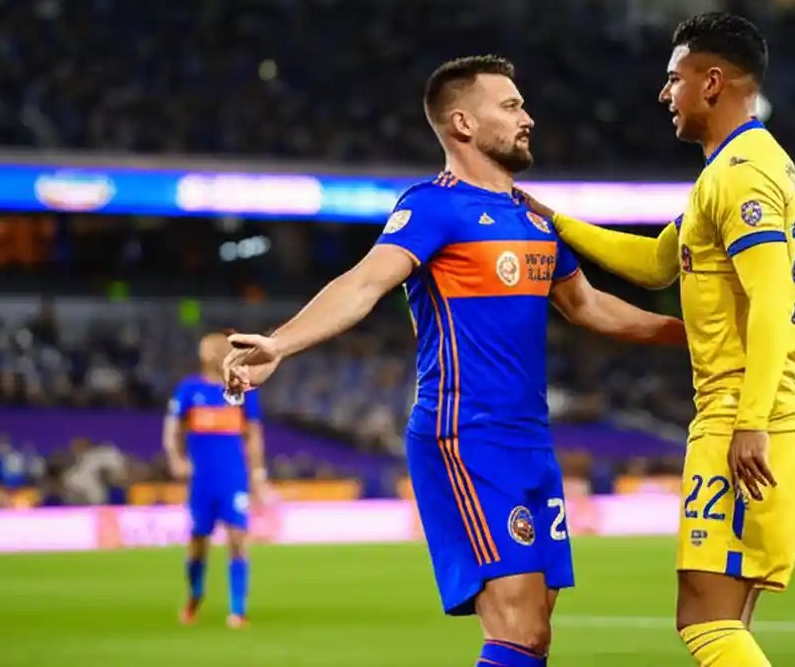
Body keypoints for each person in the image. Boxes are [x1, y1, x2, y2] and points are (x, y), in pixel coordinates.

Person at [223, 55, 684, 667]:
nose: (529, 118)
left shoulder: (533, 217)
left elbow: (590, 306)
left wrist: (693, 334)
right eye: (512, 106)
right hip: (465, 434)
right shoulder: (434, 206)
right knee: (516, 626)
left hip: (529, 441)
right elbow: (364, 283)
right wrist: (280, 342)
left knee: (536, 629)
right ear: (463, 124)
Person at [521, 13, 795, 666]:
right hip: (759, 407)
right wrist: (555, 221)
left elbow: (771, 299)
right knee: (725, 618)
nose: (664, 94)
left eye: (673, 79)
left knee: (706, 621)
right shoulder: (737, 169)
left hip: (750, 410)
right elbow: (658, 262)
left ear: (711, 82)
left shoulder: (741, 173)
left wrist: (750, 422)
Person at [164, 331, 266, 628]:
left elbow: (254, 435)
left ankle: (238, 609)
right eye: (211, 347)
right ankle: (195, 595)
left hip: (233, 478)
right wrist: (176, 458)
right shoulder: (189, 390)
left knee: (237, 539)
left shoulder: (243, 391)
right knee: (198, 542)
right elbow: (173, 430)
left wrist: (258, 474)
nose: (216, 351)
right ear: (202, 354)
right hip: (202, 479)